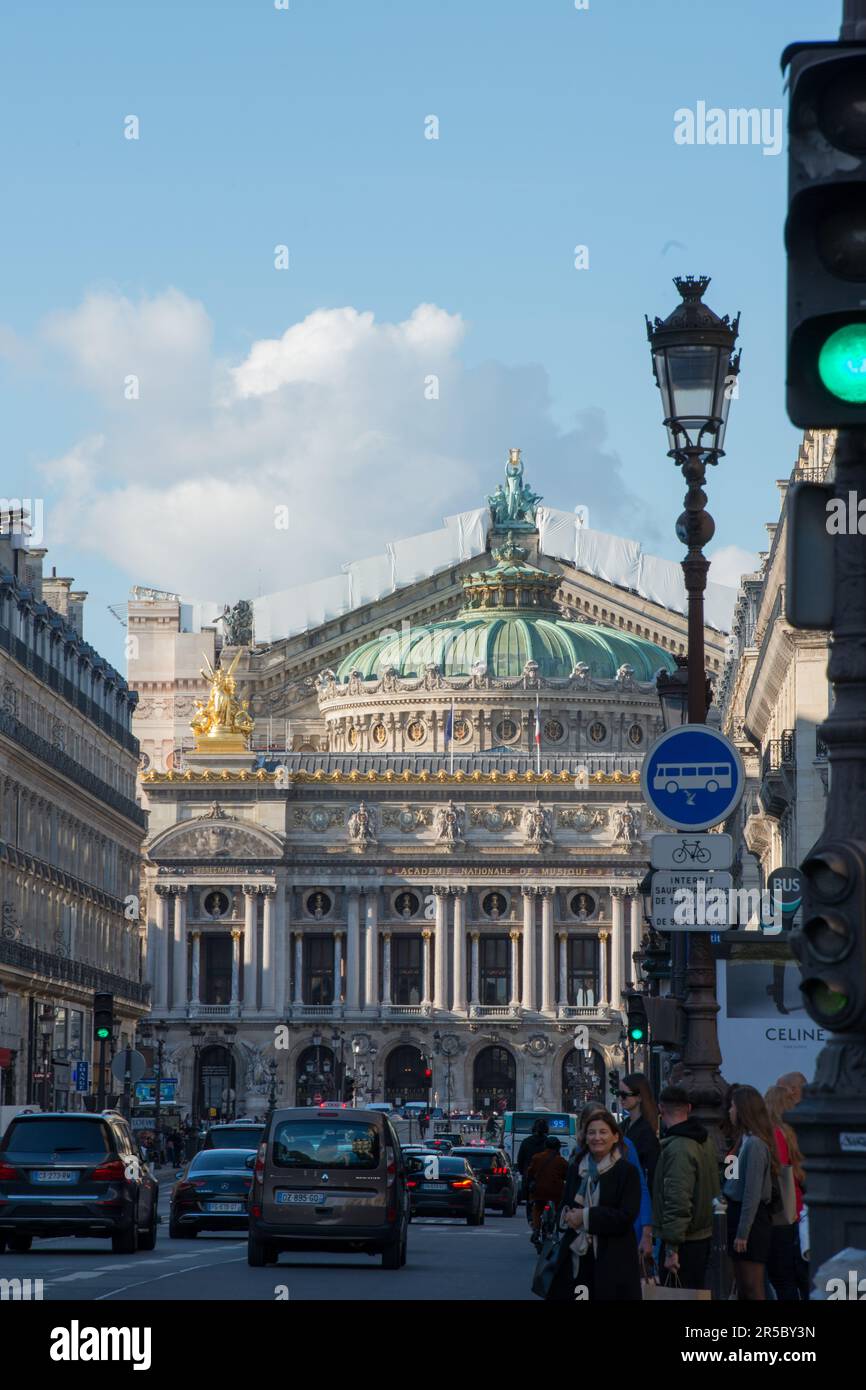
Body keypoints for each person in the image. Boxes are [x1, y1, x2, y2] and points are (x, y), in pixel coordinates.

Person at [548, 1110, 641, 1301]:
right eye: (592, 1132)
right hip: (578, 1257)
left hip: (614, 1259)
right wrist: (567, 1216)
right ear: (585, 1137)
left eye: (603, 1132)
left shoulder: (626, 1172)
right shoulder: (576, 1168)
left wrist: (585, 1217)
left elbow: (625, 1216)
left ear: (615, 1137)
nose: (597, 1137)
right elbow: (565, 1206)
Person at [652, 1084, 720, 1290]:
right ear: (688, 1108)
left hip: (684, 1241)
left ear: (661, 1109)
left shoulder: (679, 1147)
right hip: (700, 1236)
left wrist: (672, 1249)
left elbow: (678, 1200)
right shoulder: (703, 1140)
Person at [723, 1085, 779, 1300]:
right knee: (745, 1284)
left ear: (743, 1110)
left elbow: (752, 1191)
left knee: (752, 1284)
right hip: (740, 1214)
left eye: (733, 1107)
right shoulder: (744, 1140)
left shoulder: (754, 1144)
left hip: (751, 1220)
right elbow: (732, 1177)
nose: (730, 1111)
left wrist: (743, 1232)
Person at [764, 1085, 803, 1300]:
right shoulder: (793, 1134)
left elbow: (776, 1172)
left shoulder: (776, 1134)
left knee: (782, 1278)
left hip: (782, 1214)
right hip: (796, 1209)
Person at [618, 1073, 661, 1196]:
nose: (621, 1099)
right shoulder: (623, 1126)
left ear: (639, 1097)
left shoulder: (648, 1130)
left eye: (625, 1095)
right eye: (619, 1094)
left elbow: (650, 1172)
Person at [526, 1136, 568, 1245]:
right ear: (558, 1148)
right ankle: (557, 1225)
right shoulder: (561, 1161)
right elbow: (567, 1175)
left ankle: (536, 1229)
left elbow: (530, 1173)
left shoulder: (537, 1157)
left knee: (537, 1208)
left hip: (539, 1191)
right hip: (556, 1192)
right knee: (560, 1208)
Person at [517, 1117, 549, 1224]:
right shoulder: (549, 1142)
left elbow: (520, 1160)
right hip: (546, 1177)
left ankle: (531, 1219)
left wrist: (523, 1172)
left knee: (530, 1199)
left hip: (530, 1176)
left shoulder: (526, 1142)